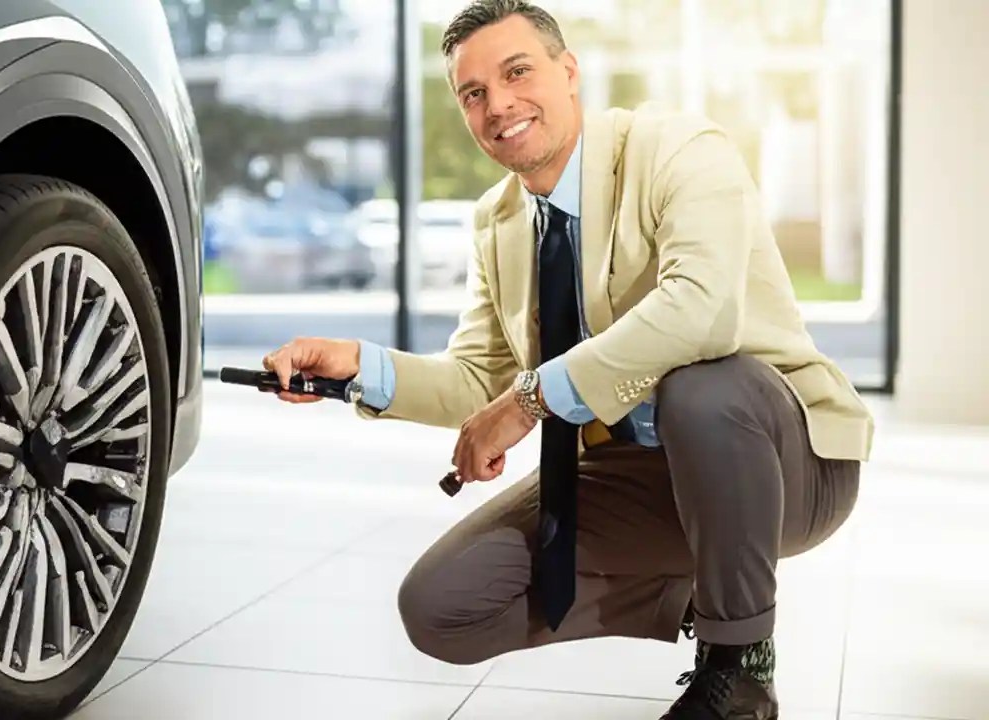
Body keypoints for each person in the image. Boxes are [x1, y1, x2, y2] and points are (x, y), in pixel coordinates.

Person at [259, 1, 873, 717]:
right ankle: (714, 595)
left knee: (704, 389)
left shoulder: (679, 150)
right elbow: (479, 380)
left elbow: (702, 311)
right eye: (474, 93)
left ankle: (739, 667)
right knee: (440, 605)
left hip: (786, 462)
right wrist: (360, 365)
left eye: (517, 72)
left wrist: (528, 402)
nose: (500, 105)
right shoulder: (500, 222)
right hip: (642, 475)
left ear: (569, 71)